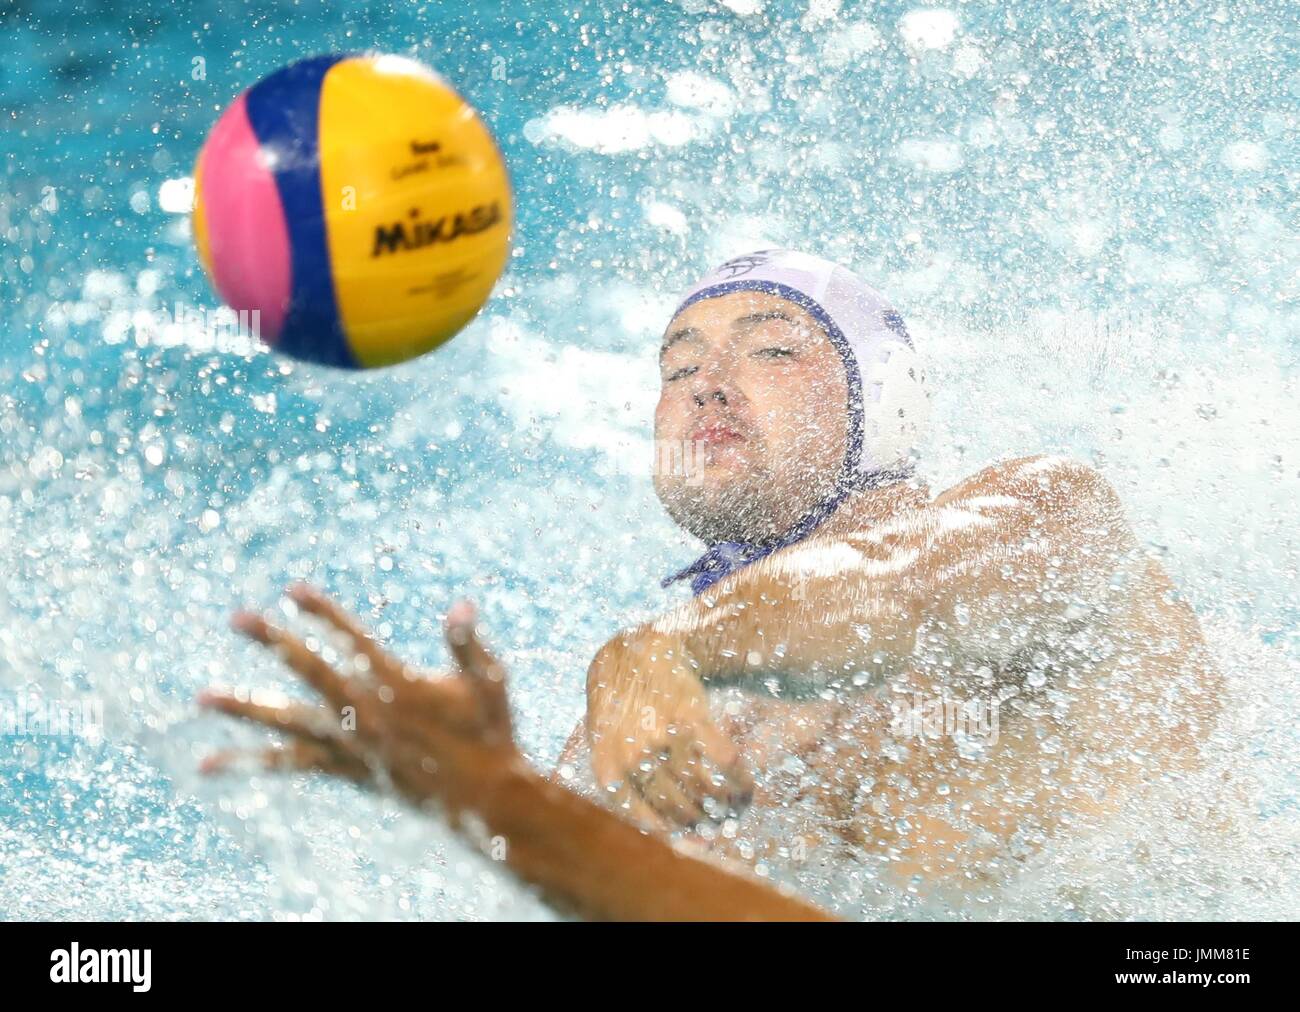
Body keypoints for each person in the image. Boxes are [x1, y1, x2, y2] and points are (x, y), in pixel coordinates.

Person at [200, 249, 1222, 917]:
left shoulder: (1047, 523)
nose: (704, 382)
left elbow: (890, 584)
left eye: (772, 349)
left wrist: (661, 651)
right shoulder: (641, 727)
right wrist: (480, 801)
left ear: (885, 408)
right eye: (676, 364)